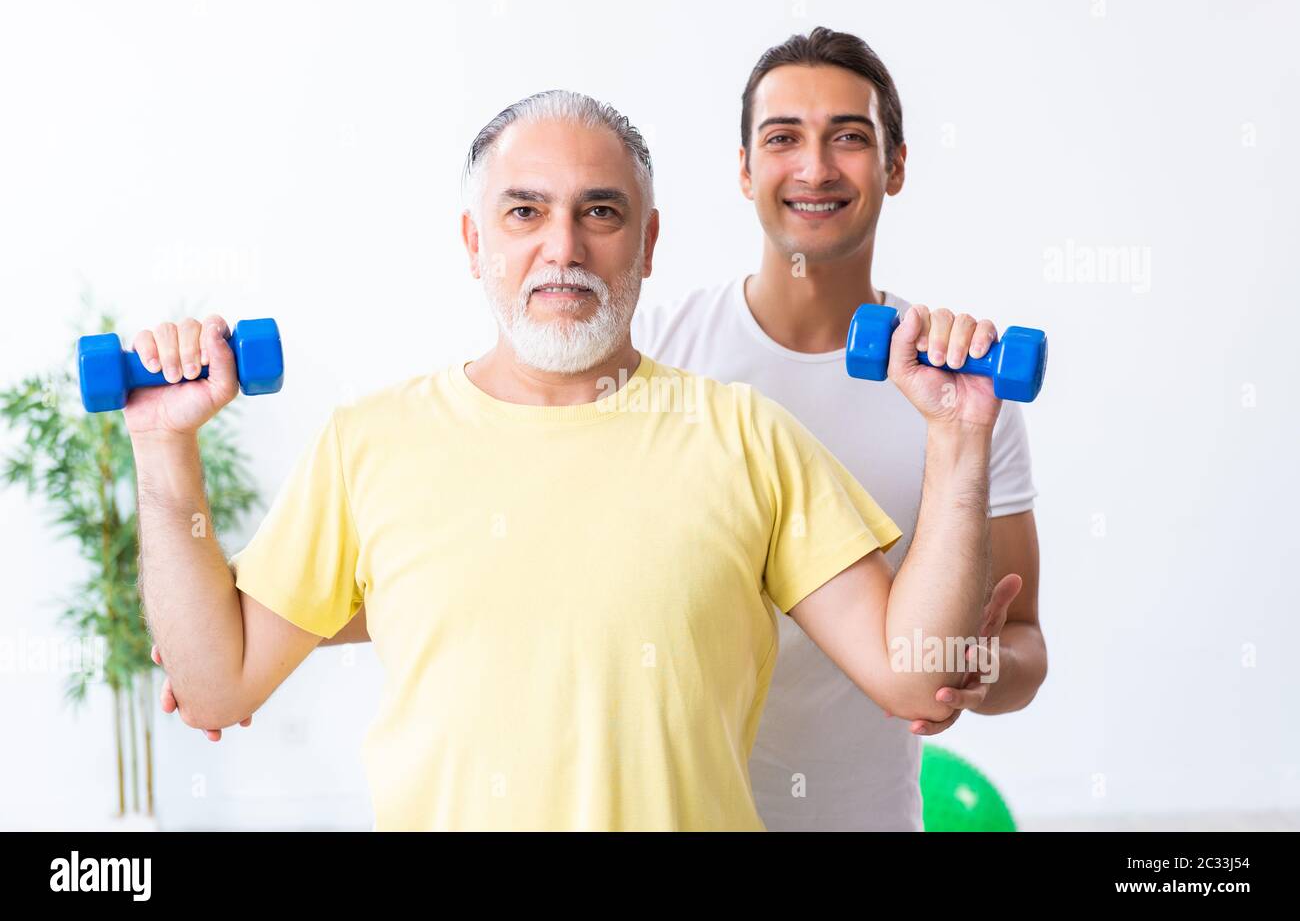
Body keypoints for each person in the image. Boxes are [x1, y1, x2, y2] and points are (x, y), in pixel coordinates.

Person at [138, 89, 1007, 830]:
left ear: (649, 242)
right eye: (525, 212)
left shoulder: (749, 438)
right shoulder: (369, 443)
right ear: (475, 243)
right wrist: (164, 441)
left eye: (600, 210)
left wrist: (960, 440)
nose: (563, 247)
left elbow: (917, 678)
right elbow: (213, 687)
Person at [632, 27, 1046, 830]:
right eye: (783, 137)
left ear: (894, 165)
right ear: (746, 168)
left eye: (848, 138)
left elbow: (1026, 644)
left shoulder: (967, 390)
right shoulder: (655, 362)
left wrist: (967, 668)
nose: (815, 167)